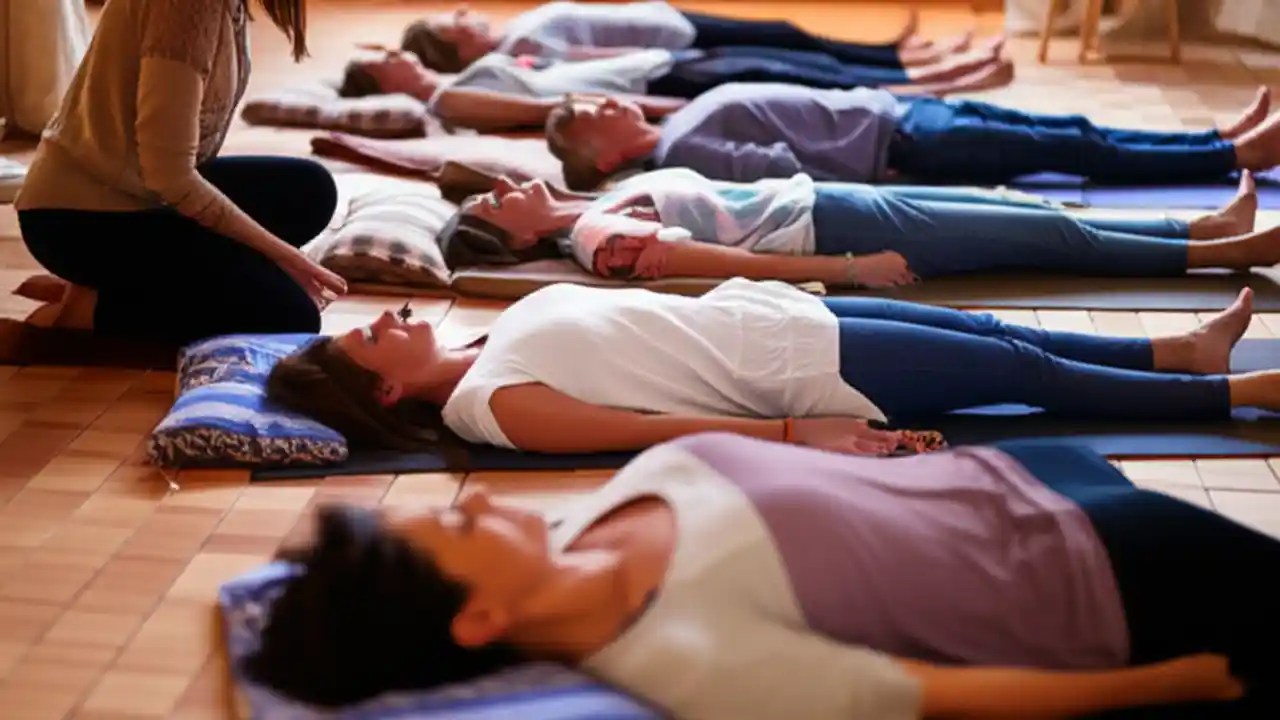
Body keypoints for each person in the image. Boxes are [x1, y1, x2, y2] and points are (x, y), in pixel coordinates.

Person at [241, 434, 1277, 718]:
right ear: (479, 620)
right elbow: (938, 696)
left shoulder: (579, 529)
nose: (485, 501)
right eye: (465, 523)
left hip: (1019, 473)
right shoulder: (691, 659)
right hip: (1107, 571)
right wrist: (1171, 684)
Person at [264, 276, 1280, 458]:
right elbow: (649, 431)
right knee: (1025, 374)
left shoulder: (485, 337)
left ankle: (1176, 351)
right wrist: (798, 434)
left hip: (786, 316)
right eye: (371, 337)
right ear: (386, 390)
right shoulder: (488, 407)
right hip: (809, 373)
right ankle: (1228, 391)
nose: (384, 316)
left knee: (997, 334)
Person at [13, 0, 348, 346]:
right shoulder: (187, 7)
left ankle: (135, 286)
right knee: (289, 315)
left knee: (310, 190)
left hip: (143, 193)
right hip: (81, 220)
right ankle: (89, 310)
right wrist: (285, 256)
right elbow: (171, 177)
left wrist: (271, 257)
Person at [435, 167, 1271, 288]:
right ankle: (1224, 251)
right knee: (1049, 240)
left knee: (1031, 212)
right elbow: (705, 260)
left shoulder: (592, 202)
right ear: (517, 241)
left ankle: (1200, 223)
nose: (504, 186)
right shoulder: (595, 237)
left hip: (829, 199)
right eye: (494, 204)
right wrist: (849, 270)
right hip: (829, 229)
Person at [544, 83, 1280, 190]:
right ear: (604, 153)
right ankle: (1233, 156)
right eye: (594, 111)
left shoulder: (674, 123)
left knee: (1071, 129)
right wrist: (881, 179)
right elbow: (782, 171)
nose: (609, 101)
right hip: (904, 147)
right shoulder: (680, 152)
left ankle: (1213, 137)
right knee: (1072, 152)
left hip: (900, 114)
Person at [338, 43, 1012, 133]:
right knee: (804, 81)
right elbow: (551, 107)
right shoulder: (449, 99)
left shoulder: (458, 75)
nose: (398, 52)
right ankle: (936, 87)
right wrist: (663, 106)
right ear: (381, 83)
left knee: (802, 67)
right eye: (384, 58)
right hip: (657, 84)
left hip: (655, 65)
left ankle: (936, 79)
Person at [402, 2, 976, 73]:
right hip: (678, 39)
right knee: (791, 44)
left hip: (671, 20)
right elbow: (596, 55)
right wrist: (676, 55)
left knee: (792, 37)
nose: (466, 14)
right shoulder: (520, 50)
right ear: (459, 49)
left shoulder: (512, 36)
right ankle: (903, 61)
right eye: (457, 26)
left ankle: (901, 52)